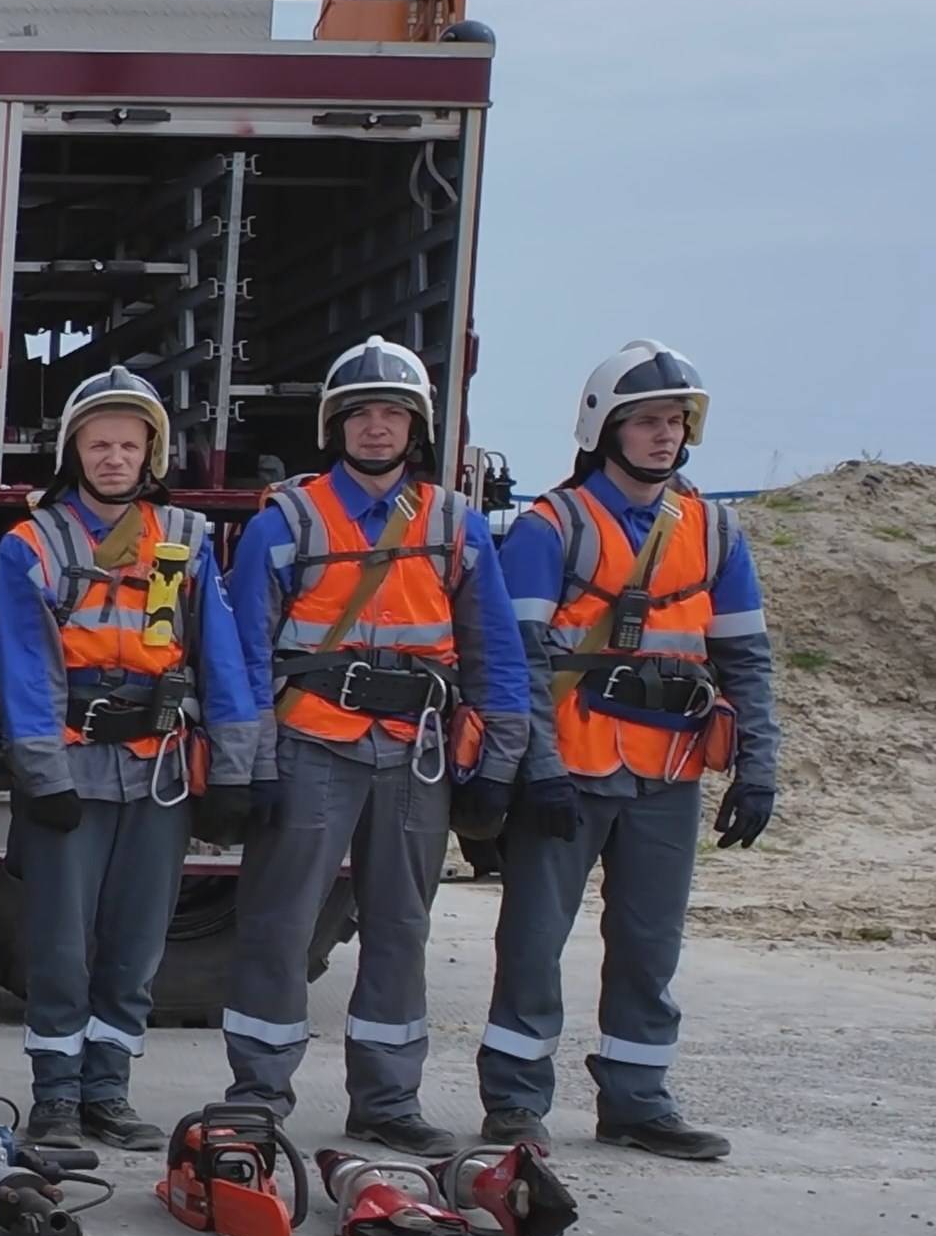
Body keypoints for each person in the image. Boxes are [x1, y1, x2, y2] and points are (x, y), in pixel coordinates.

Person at [217, 338, 529, 1153]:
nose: (378, 428)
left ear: (416, 425)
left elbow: (493, 646)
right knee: (279, 924)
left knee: (402, 926)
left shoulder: (455, 525)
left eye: (393, 413)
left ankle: (388, 1101)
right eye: (362, 413)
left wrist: (498, 761)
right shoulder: (287, 520)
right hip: (312, 744)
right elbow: (246, 649)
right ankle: (257, 1092)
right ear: (336, 424)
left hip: (414, 753)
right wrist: (250, 764)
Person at [478, 343, 778, 1159]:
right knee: (533, 943)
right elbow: (520, 661)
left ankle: (638, 1100)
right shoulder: (552, 528)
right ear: (604, 426)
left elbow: (746, 658)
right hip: (569, 773)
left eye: (675, 422)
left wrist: (759, 767)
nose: (663, 435)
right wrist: (536, 768)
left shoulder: (714, 530)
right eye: (646, 420)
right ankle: (513, 1104)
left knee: (651, 944)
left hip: (668, 775)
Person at [0, 369, 259, 1150]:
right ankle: (57, 1100)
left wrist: (234, 773)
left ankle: (108, 1090)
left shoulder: (182, 541)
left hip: (161, 771)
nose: (113, 458)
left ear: (152, 454)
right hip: (71, 768)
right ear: (73, 451)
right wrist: (41, 776)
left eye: (129, 445)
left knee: (138, 943)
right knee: (60, 945)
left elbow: (221, 658)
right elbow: (24, 665)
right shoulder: (32, 543)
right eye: (99, 443)